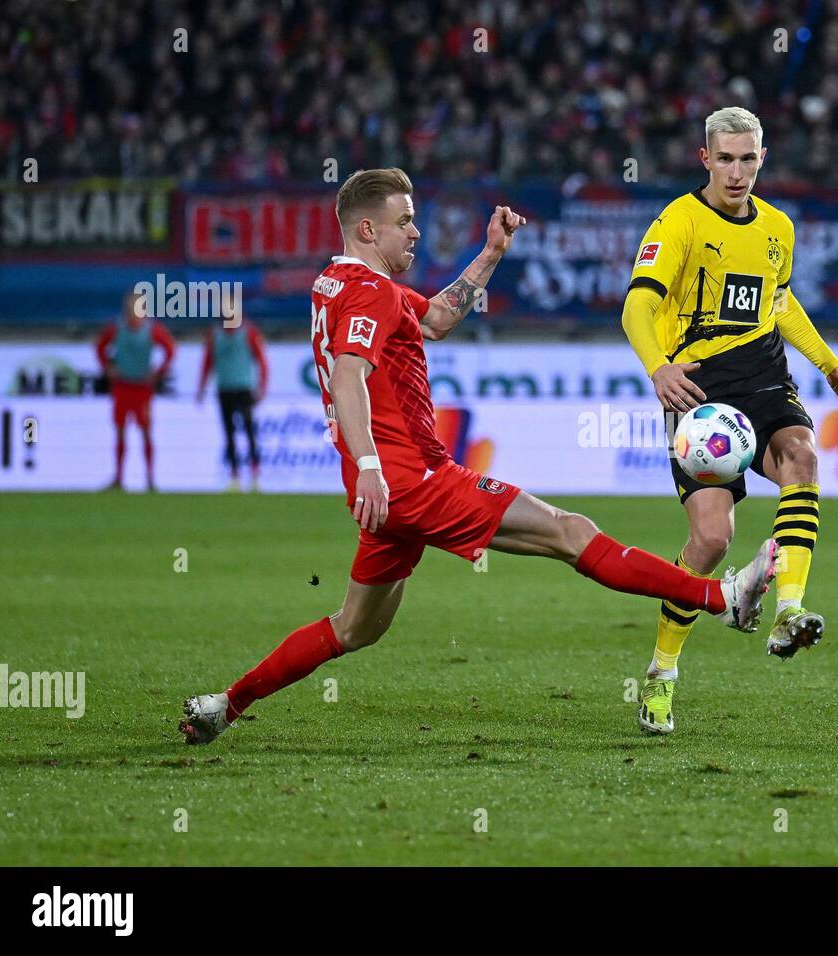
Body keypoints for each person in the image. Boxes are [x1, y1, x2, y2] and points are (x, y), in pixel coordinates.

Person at [179, 168, 777, 745]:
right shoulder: (370, 294)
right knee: (570, 533)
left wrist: (491, 252)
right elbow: (348, 380)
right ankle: (720, 598)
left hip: (388, 496)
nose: (416, 232)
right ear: (368, 230)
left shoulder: (337, 285)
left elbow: (436, 320)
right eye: (404, 221)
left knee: (354, 628)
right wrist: (369, 466)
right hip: (413, 479)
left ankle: (223, 705)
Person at [620, 107, 838, 735]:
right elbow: (637, 306)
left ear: (763, 158)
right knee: (709, 541)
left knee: (804, 458)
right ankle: (660, 674)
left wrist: (830, 365)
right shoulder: (678, 221)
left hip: (762, 374)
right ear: (705, 159)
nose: (737, 172)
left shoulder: (778, 228)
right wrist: (657, 370)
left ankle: (789, 608)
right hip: (698, 385)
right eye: (725, 159)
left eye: (748, 159)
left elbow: (778, 303)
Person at [95, 291, 176, 491]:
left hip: (142, 389)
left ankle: (150, 479)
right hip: (122, 387)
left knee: (146, 431)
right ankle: (119, 478)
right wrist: (108, 368)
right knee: (120, 431)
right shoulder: (117, 328)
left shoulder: (152, 330)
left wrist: (158, 373)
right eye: (130, 306)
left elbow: (171, 350)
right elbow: (100, 348)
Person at [196, 312, 270, 491]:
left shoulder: (249, 332)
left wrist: (262, 388)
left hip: (244, 388)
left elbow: (262, 361)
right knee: (229, 433)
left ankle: (254, 475)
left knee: (249, 430)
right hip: (224, 388)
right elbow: (208, 361)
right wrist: (202, 387)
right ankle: (235, 476)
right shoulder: (214, 334)